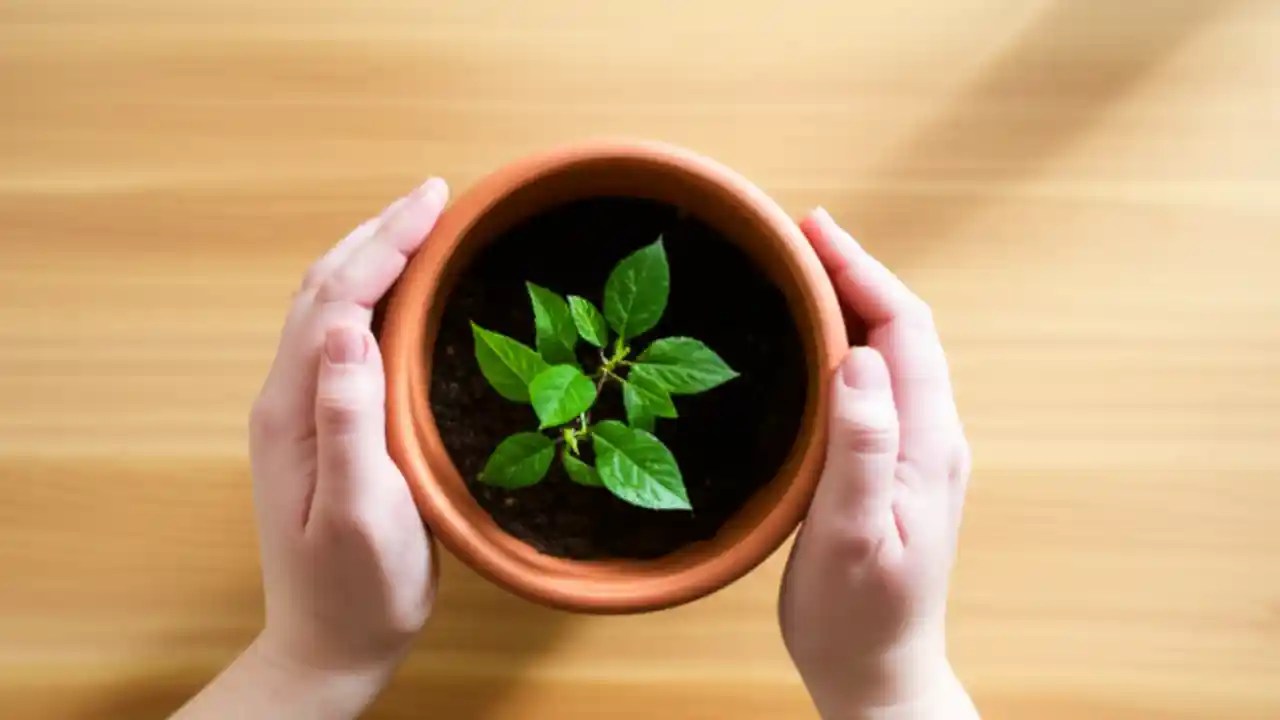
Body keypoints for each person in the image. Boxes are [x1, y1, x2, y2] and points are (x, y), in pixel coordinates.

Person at [171, 178, 978, 720]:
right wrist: (888, 681)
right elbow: (564, 393)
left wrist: (310, 659)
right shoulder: (571, 398)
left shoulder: (598, 395)